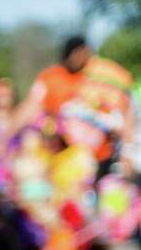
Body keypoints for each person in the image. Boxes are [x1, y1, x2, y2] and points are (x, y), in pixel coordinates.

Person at [11, 35, 136, 163]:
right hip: (65, 159)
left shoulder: (103, 74)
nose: (81, 57)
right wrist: (5, 138)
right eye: (77, 53)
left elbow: (127, 110)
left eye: (84, 52)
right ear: (68, 54)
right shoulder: (52, 78)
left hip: (105, 155)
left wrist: (128, 151)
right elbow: (29, 108)